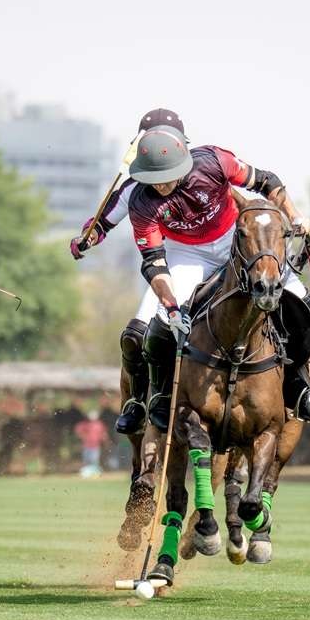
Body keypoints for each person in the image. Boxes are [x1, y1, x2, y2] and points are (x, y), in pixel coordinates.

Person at [124, 124, 310, 429]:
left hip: (237, 240)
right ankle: (163, 396)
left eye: (166, 177)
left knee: (305, 304)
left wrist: (295, 214)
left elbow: (266, 181)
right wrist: (170, 306)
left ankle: (299, 386)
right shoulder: (142, 203)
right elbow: (155, 263)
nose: (160, 186)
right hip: (188, 253)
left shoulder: (214, 161)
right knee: (162, 323)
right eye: (153, 179)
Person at [69, 108, 189, 435]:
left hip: (214, 259)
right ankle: (137, 401)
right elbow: (104, 222)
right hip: (167, 266)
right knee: (135, 337)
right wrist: (88, 237)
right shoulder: (135, 188)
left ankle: (292, 382)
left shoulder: (201, 174)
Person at [74, 410, 109, 477]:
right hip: (86, 445)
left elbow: (103, 434)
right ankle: (86, 473)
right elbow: (78, 431)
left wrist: (106, 441)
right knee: (86, 460)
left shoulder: (99, 424)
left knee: (94, 460)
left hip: (95, 445)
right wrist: (82, 437)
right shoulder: (84, 424)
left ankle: (95, 473)